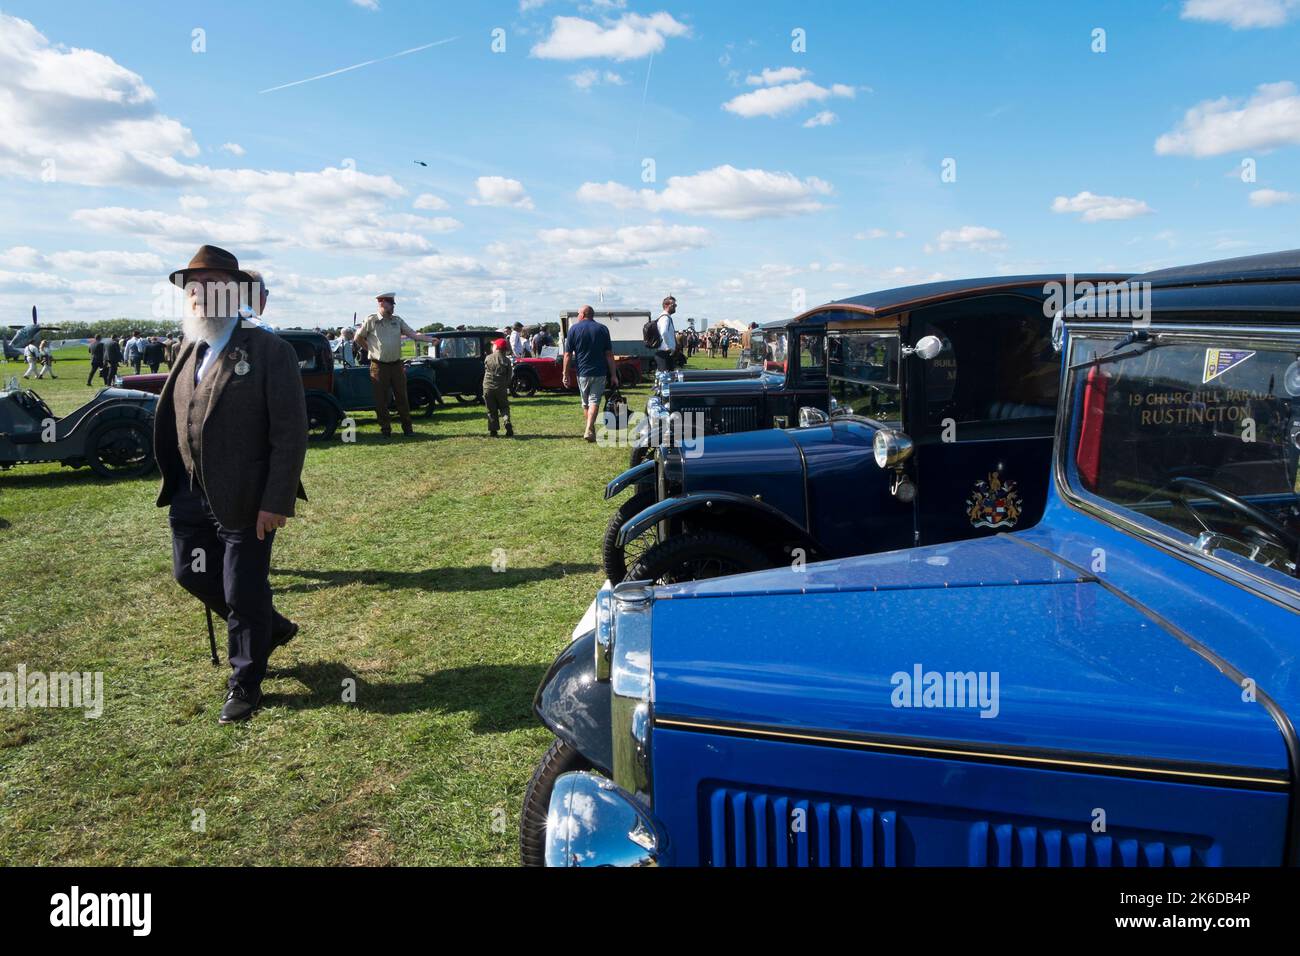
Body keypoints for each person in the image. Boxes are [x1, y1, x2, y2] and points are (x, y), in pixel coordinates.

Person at [154, 244, 308, 725]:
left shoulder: (269, 352)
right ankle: (271, 627)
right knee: (190, 574)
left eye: (210, 287)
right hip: (191, 495)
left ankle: (245, 682)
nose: (199, 296)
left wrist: (276, 500)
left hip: (247, 498)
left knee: (242, 590)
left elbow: (290, 433)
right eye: (193, 288)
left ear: (234, 294)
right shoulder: (189, 349)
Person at [353, 292, 438, 438]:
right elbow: (358, 338)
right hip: (378, 365)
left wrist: (430, 340)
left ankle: (408, 429)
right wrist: (370, 349)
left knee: (402, 398)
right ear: (381, 303)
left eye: (393, 304)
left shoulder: (397, 321)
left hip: (397, 365)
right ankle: (386, 430)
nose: (393, 307)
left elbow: (413, 334)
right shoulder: (371, 320)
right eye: (390, 304)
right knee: (381, 400)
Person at [563, 304, 619, 442]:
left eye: (578, 314)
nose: (577, 316)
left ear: (582, 314)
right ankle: (590, 429)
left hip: (582, 372)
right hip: (599, 371)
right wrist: (613, 374)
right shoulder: (602, 329)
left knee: (586, 403)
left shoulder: (573, 329)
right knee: (594, 401)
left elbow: (567, 354)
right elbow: (609, 354)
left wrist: (565, 373)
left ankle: (589, 428)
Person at [483, 338, 514, 438]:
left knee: (491, 410)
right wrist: (505, 385)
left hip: (488, 387)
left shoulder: (488, 358)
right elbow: (509, 376)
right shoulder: (506, 360)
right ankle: (506, 421)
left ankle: (493, 431)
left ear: (496, 347)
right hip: (501, 387)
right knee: (504, 407)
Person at [654, 296, 678, 372]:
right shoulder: (665, 318)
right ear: (666, 305)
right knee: (666, 379)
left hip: (665, 353)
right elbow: (664, 332)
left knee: (666, 378)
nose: (675, 307)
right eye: (673, 305)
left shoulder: (666, 317)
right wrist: (670, 347)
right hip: (665, 353)